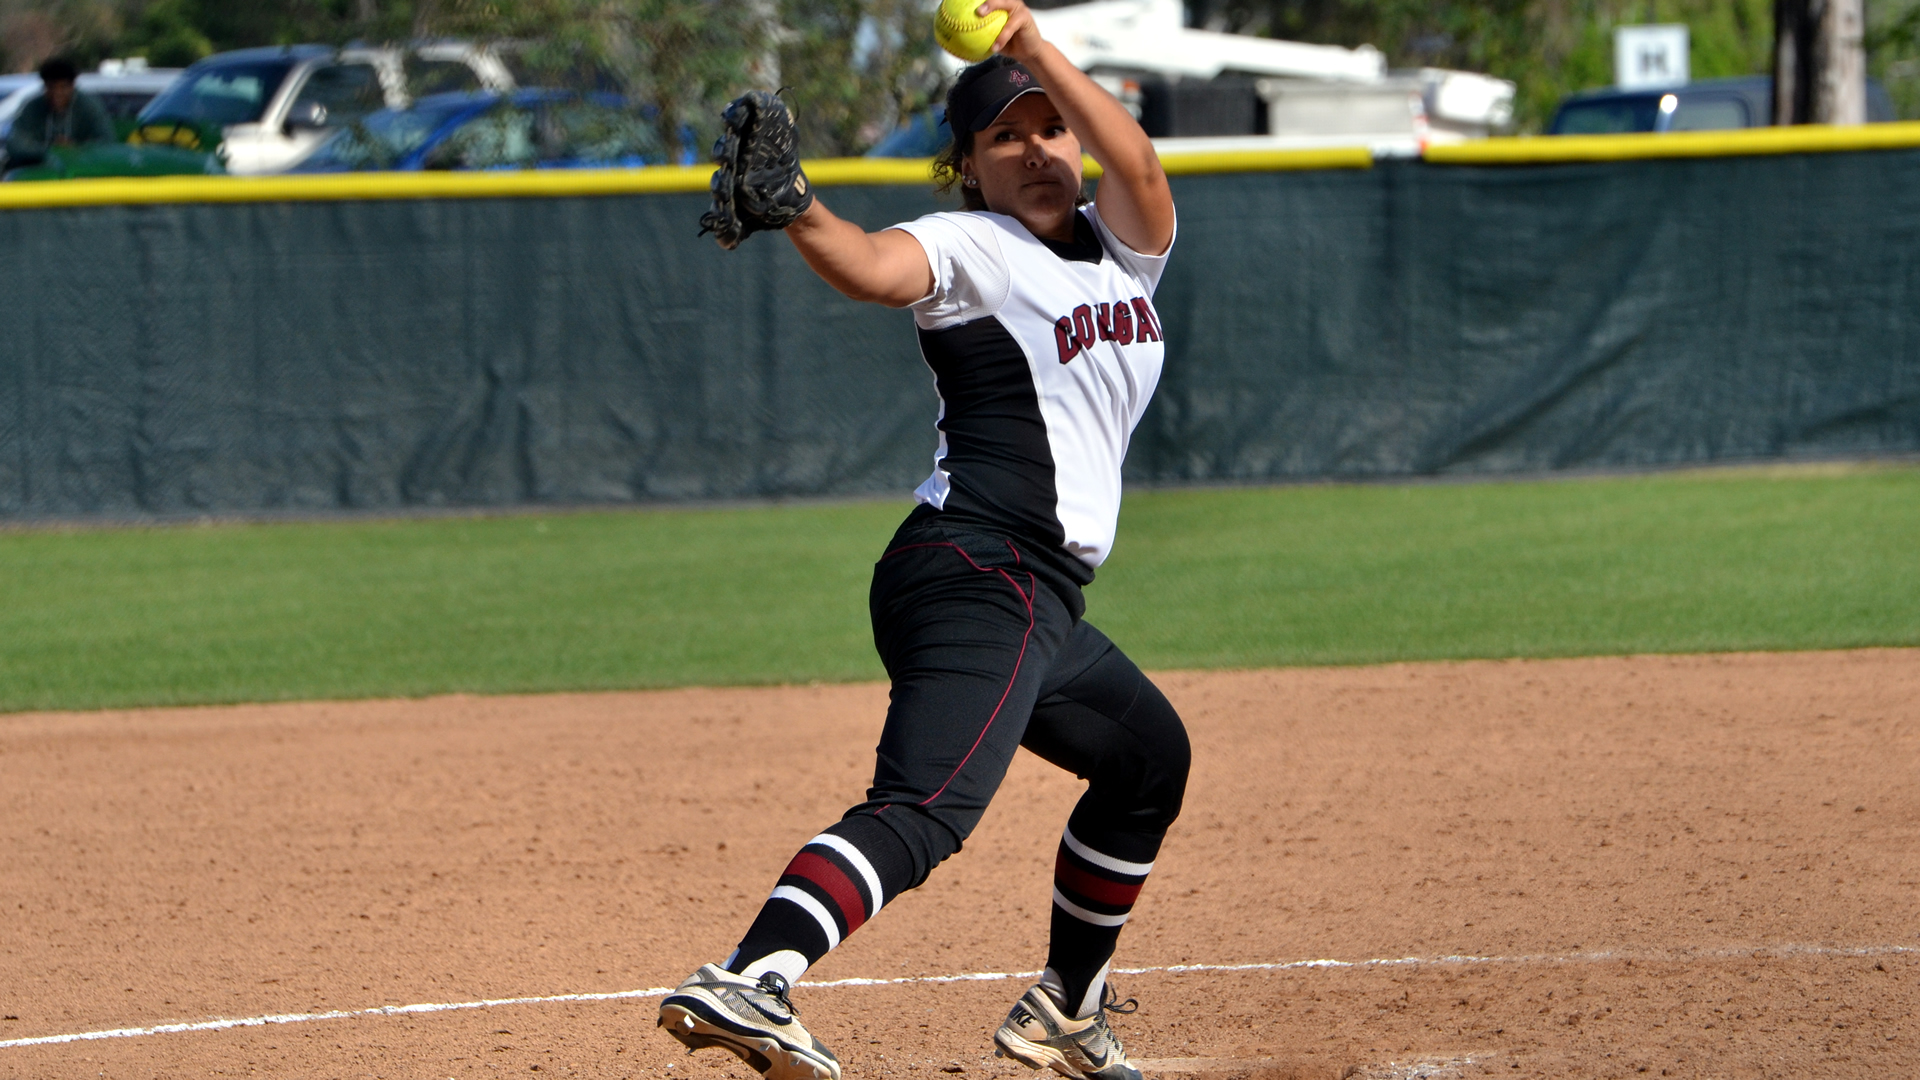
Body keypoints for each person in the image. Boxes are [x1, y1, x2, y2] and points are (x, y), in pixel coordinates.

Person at [657, 5, 1185, 1080]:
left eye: (1051, 130)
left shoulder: (1126, 256)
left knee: (1146, 758)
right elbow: (868, 265)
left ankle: (1064, 1013)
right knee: (926, 810)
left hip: (1037, 595)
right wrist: (798, 206)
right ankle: (751, 978)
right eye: (1005, 136)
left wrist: (1030, 47)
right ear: (969, 169)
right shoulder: (968, 249)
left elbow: (1135, 158)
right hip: (977, 570)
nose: (1037, 147)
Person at [5, 57, 115, 166]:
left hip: (82, 171)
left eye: (63, 87)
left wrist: (76, 147)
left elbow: (107, 141)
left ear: (72, 86)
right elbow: (14, 143)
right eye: (51, 87)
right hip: (41, 171)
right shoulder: (32, 108)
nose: (57, 93)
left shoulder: (89, 106)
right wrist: (49, 149)